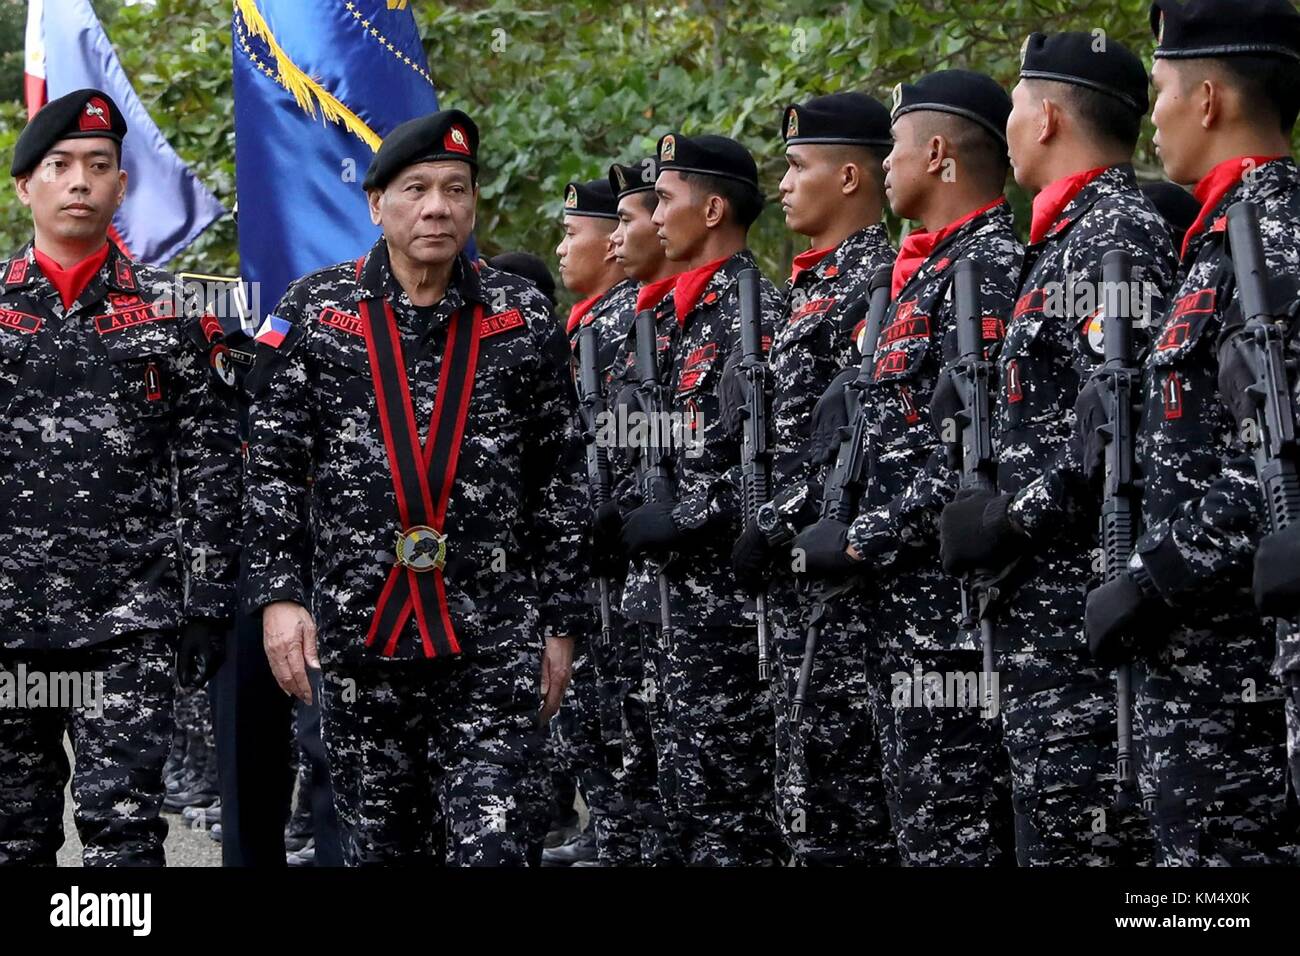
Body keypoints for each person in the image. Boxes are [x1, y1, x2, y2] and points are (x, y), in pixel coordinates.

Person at [243, 108, 585, 865]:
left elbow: (559, 481)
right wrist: (280, 601)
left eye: (456, 189)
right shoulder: (315, 313)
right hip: (362, 640)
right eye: (417, 189)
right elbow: (270, 470)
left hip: (490, 639)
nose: (438, 207)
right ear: (377, 205)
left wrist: (561, 624)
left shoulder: (522, 317)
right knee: (382, 852)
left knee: (496, 847)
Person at [939, 33, 1178, 865]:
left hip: (1086, 618)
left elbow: (1130, 422)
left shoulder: (1112, 236)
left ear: (1043, 118)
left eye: (1012, 107)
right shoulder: (1060, 239)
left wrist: (1012, 516)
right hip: (1040, 626)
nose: (1004, 127)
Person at [1084, 0, 1300, 865]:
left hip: (1237, 670)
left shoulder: (1276, 240)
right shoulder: (1215, 242)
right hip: (1195, 670)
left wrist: (1148, 578)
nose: (1154, 118)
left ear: (1208, 100)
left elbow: (1276, 459)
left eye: (1164, 90)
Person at [0, 89, 240, 865]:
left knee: (125, 831)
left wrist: (206, 601)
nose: (80, 182)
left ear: (122, 186)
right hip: (6, 621)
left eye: (99, 166)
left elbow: (208, 466)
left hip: (127, 623)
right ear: (24, 186)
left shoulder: (172, 318)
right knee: (12, 832)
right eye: (60, 166)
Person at [795, 71, 1022, 865]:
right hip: (896, 614)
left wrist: (863, 538)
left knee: (954, 836)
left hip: (952, 618)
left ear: (936, 152)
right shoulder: (919, 274)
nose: (886, 164)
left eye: (893, 147)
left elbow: (978, 452)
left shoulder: (987, 268)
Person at [727, 91, 898, 865]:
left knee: (850, 813)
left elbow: (866, 447)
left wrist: (776, 519)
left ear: (853, 177)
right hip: (803, 594)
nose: (783, 185)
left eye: (798, 167)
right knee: (811, 807)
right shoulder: (811, 287)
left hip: (851, 592)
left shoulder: (879, 283)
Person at [616, 131, 786, 864]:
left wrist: (678, 519)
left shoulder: (757, 317)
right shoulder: (675, 323)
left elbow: (775, 467)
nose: (652, 218)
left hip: (728, 620)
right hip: (667, 614)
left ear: (713, 209)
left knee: (730, 822)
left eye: (665, 200)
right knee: (673, 814)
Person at [547, 177, 640, 865]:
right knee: (593, 724)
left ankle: (615, 832)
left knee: (625, 727)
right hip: (592, 565)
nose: (561, 248)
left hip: (629, 574)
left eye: (570, 233)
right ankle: (606, 830)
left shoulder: (622, 324)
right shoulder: (584, 327)